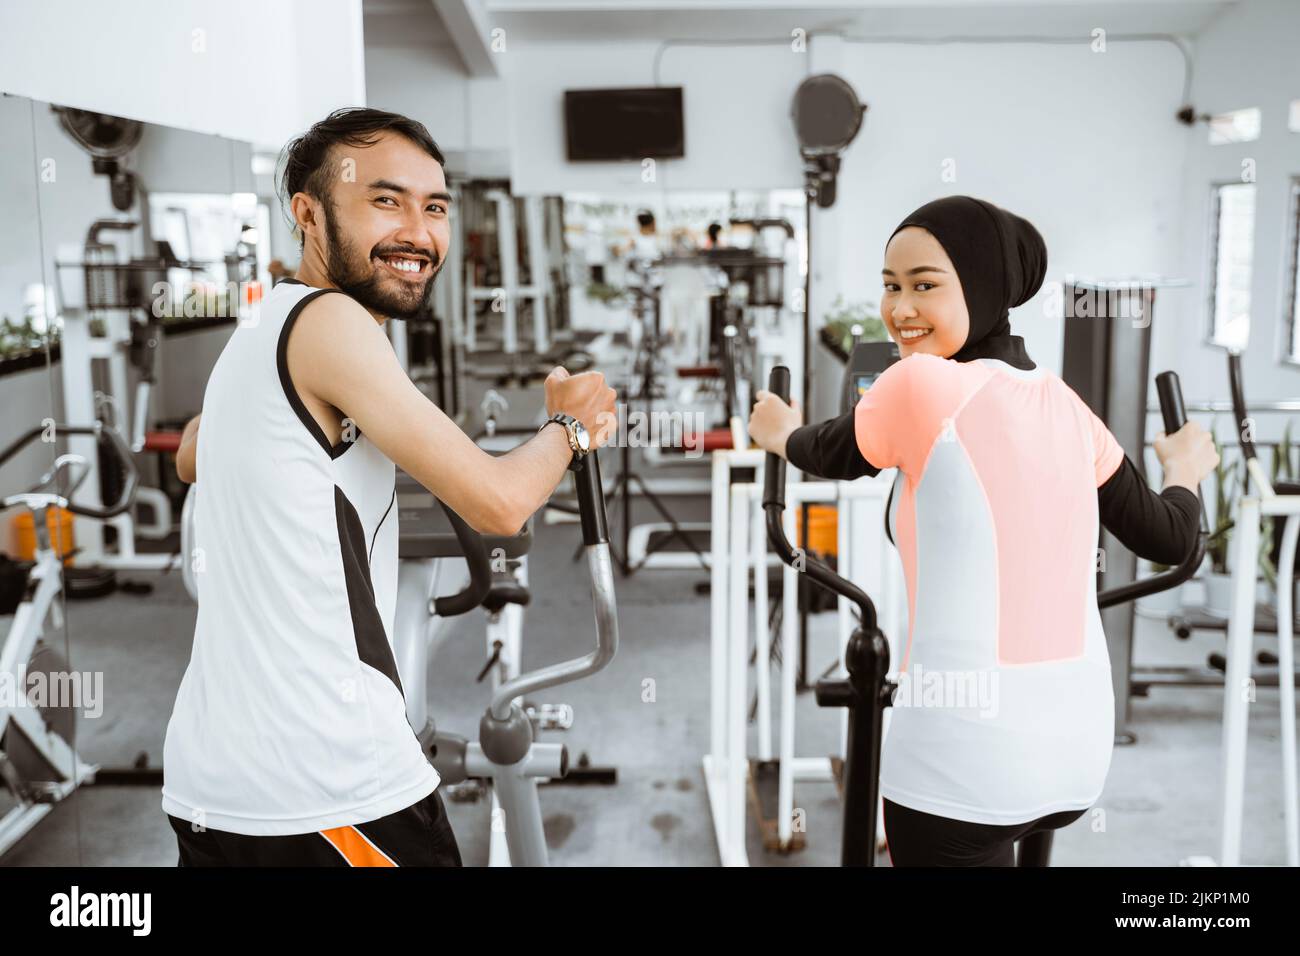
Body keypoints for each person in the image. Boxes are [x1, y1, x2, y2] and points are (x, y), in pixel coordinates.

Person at [164, 107, 617, 867]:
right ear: (309, 214)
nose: (417, 232)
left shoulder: (264, 324)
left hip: (214, 789)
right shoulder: (332, 322)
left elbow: (190, 453)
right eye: (385, 201)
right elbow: (500, 503)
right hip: (329, 790)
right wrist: (570, 427)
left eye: (434, 207)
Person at [747, 195, 1217, 866]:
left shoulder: (919, 382)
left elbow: (828, 450)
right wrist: (1185, 468)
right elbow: (1172, 537)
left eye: (925, 286)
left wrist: (776, 430)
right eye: (890, 285)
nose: (899, 308)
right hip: (1077, 754)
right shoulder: (1067, 404)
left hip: (961, 766)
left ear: (983, 286)